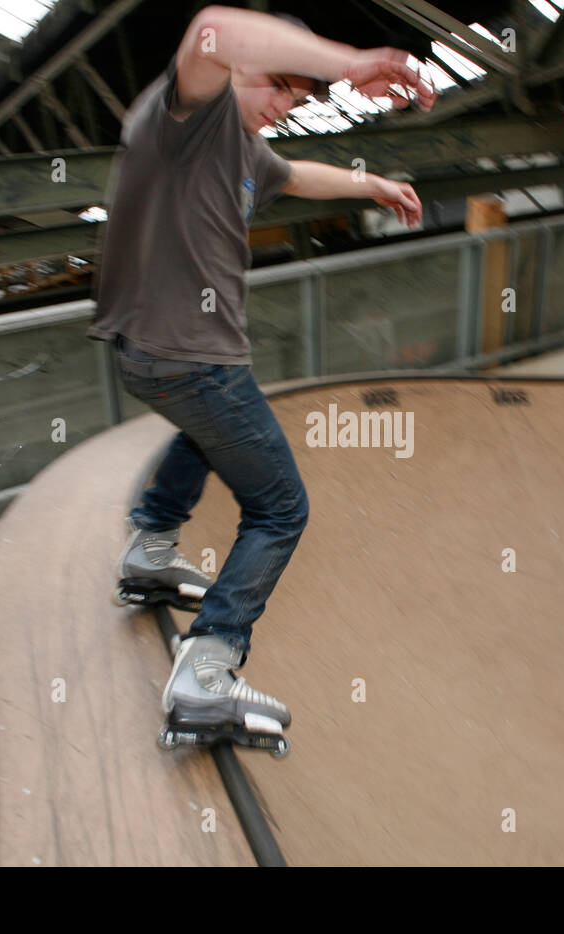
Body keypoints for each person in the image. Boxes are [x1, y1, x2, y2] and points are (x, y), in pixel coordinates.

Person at [88, 6, 436, 743]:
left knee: (214, 435)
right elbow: (214, 27)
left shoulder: (243, 146)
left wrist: (372, 186)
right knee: (281, 509)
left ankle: (151, 550)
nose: (283, 103)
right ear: (232, 75)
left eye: (297, 95)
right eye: (274, 84)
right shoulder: (184, 116)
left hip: (162, 361)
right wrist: (349, 62)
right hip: (192, 358)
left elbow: (297, 176)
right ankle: (206, 668)